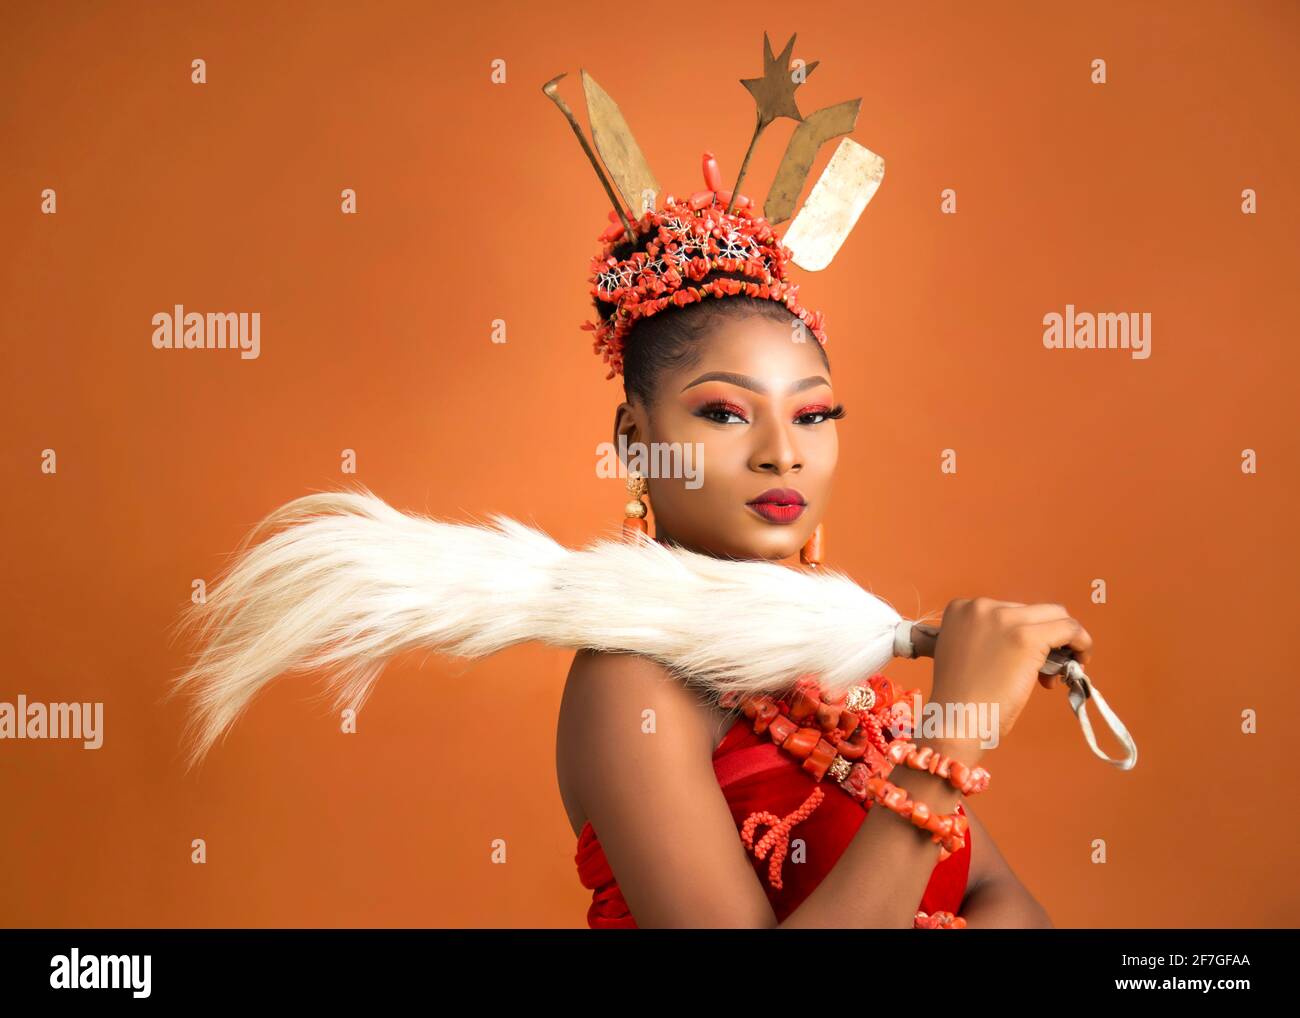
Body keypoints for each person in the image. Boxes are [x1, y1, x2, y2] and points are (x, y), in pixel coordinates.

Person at [555, 172, 1089, 928]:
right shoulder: (634, 682)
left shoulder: (833, 671)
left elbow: (996, 898)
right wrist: (952, 734)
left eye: (812, 413)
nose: (782, 454)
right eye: (724, 412)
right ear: (634, 442)